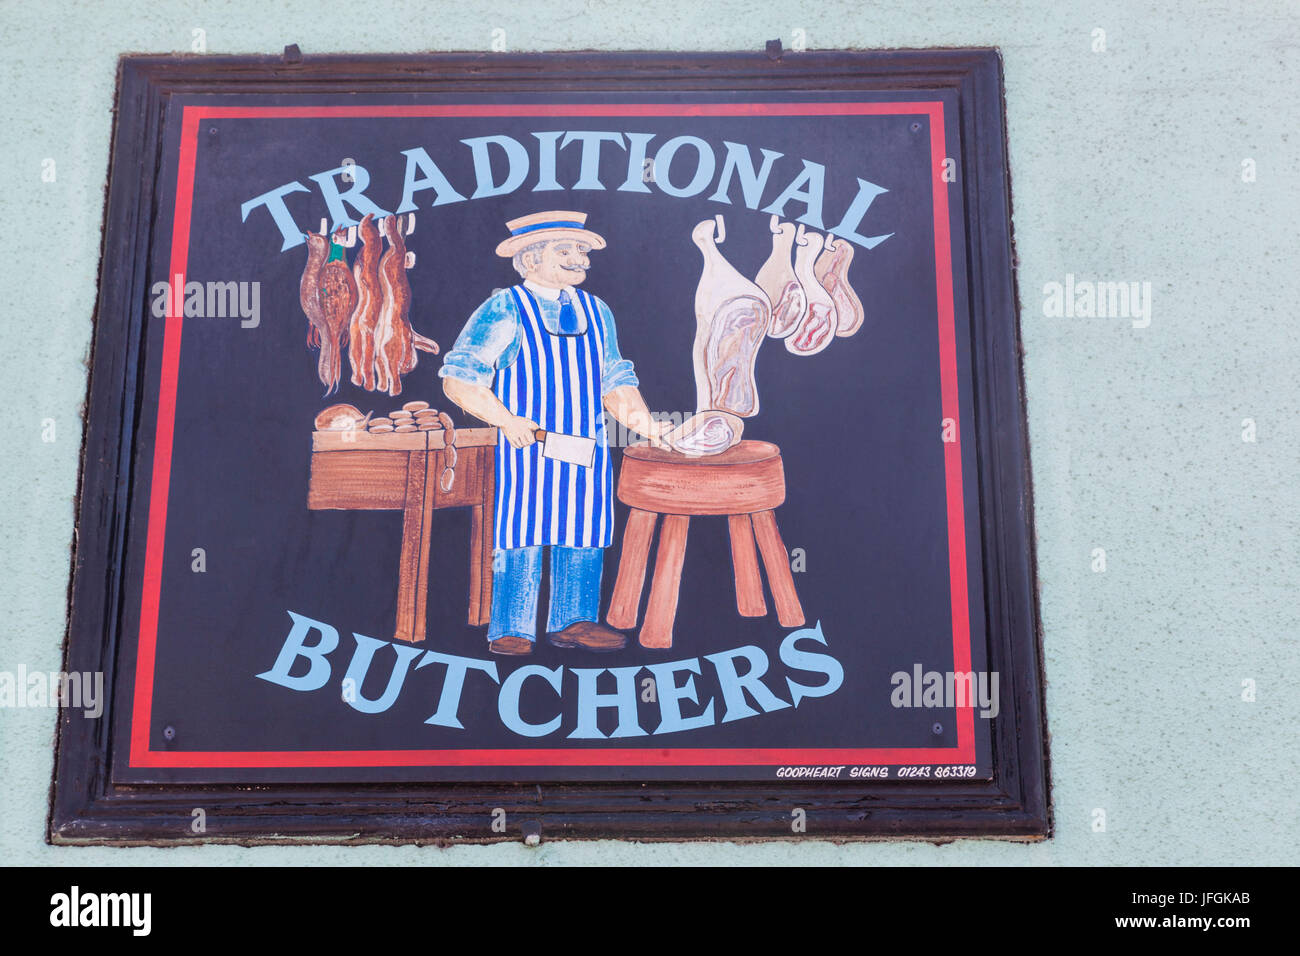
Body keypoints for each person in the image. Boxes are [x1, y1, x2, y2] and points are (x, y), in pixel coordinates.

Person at [440, 210, 669, 656]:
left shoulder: (597, 310)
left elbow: (614, 379)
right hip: (527, 444)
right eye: (564, 251)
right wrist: (505, 420)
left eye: (581, 251)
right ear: (528, 260)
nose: (578, 260)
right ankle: (512, 626)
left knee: (583, 527)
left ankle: (574, 621)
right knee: (522, 529)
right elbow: (460, 378)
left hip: (587, 445)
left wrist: (646, 424)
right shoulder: (504, 307)